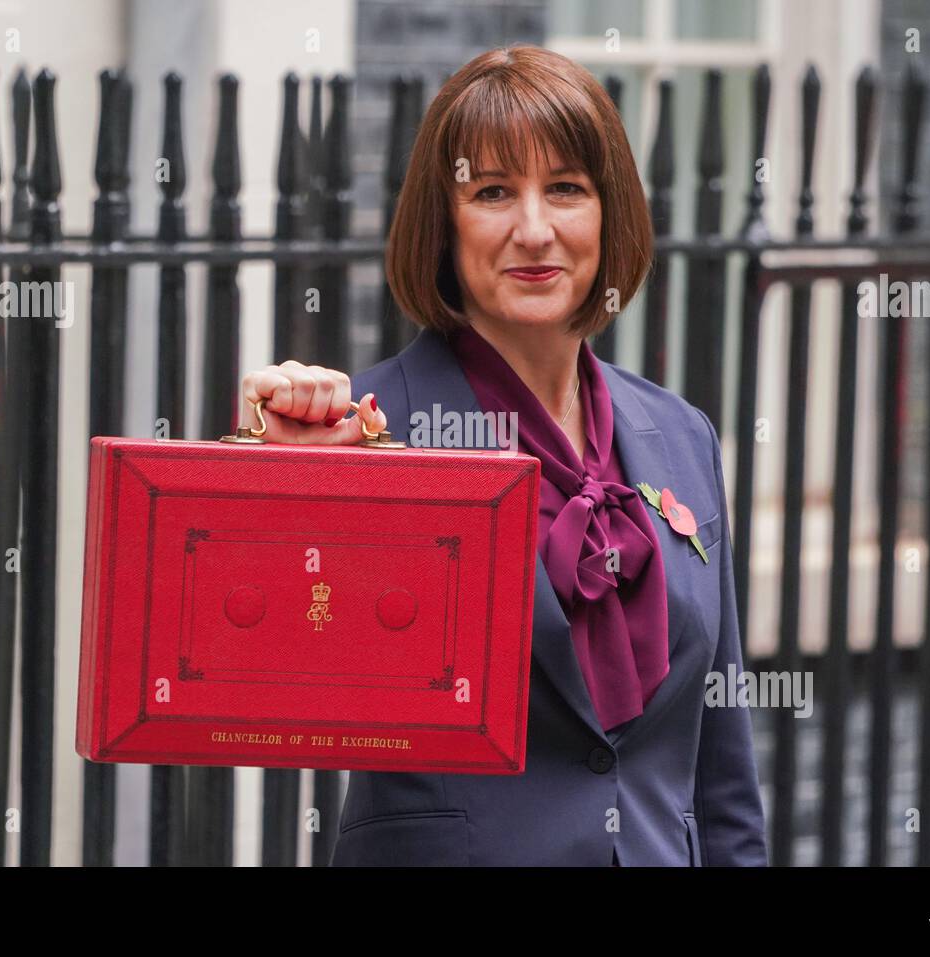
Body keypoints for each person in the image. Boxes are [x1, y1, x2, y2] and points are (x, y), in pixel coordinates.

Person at [238, 44, 767, 866]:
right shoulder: (372, 431)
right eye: (491, 192)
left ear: (608, 214)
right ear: (444, 227)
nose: (534, 228)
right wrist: (284, 475)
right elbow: (253, 666)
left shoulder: (682, 434)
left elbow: (722, 768)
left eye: (565, 188)